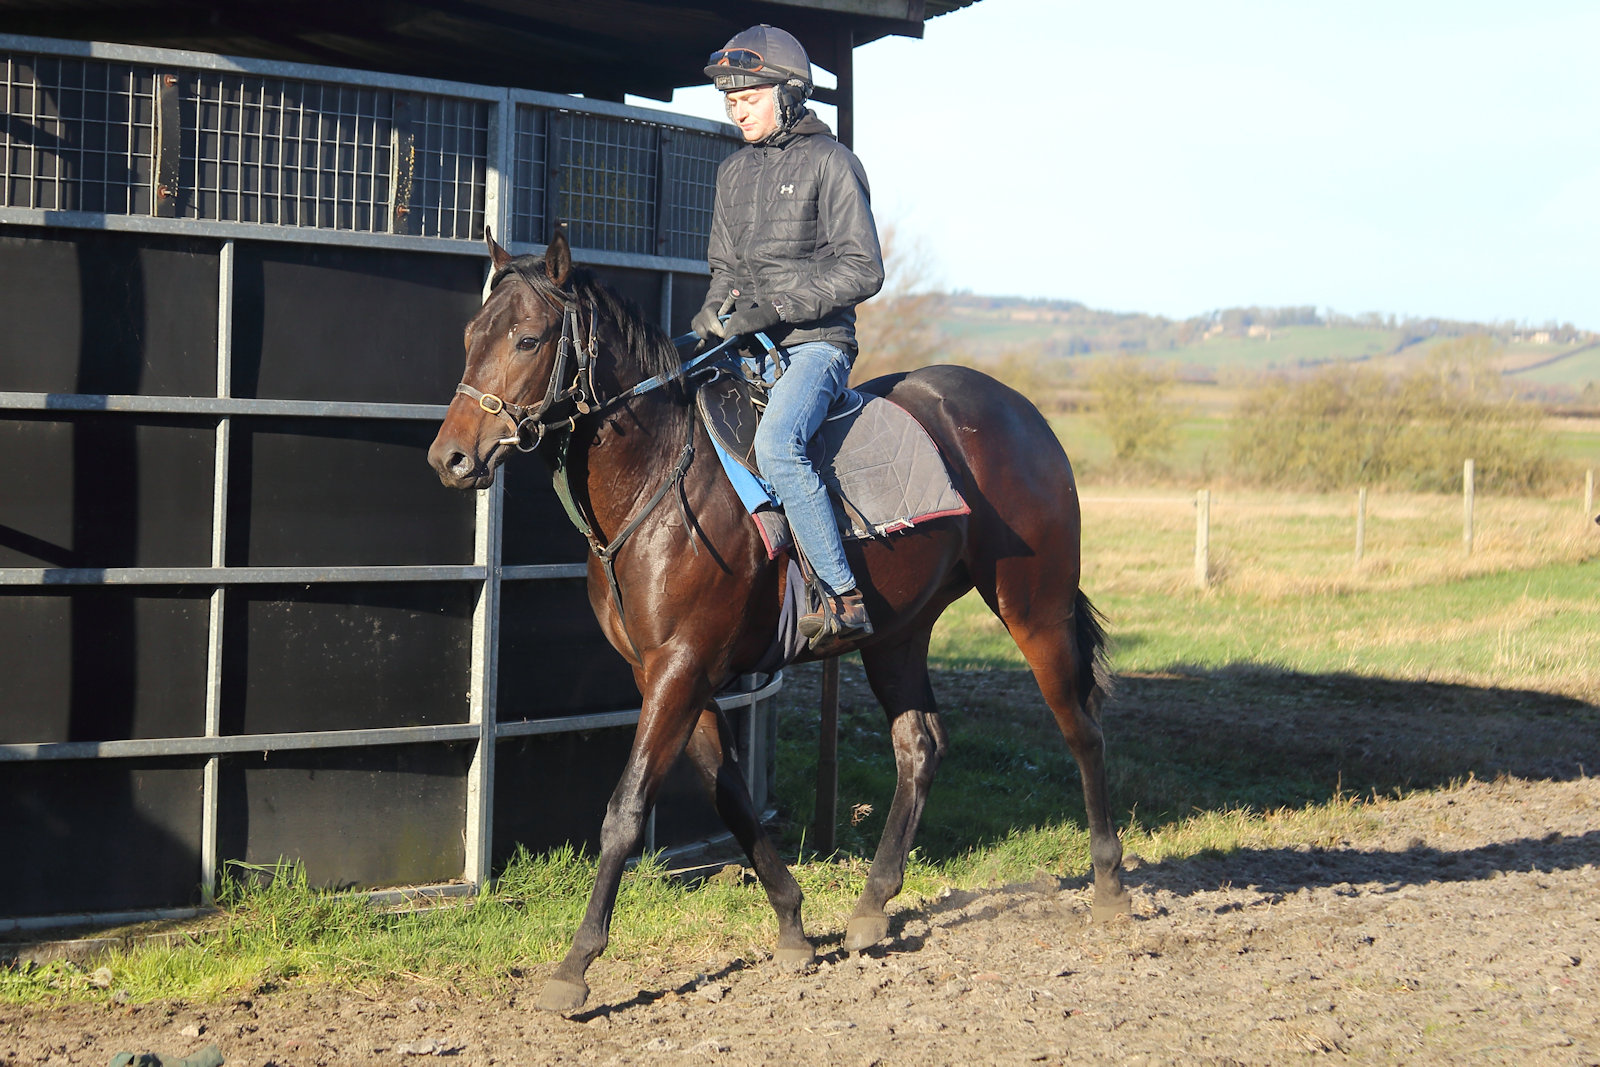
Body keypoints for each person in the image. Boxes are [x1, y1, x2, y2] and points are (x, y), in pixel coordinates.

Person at [691, 23, 886, 650]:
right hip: (748, 346)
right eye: (729, 98)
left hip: (817, 346)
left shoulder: (833, 163)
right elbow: (723, 271)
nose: (735, 107)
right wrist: (711, 313)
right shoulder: (731, 173)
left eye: (748, 96)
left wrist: (773, 307)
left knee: (777, 446)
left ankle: (843, 597)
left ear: (789, 95)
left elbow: (864, 268)